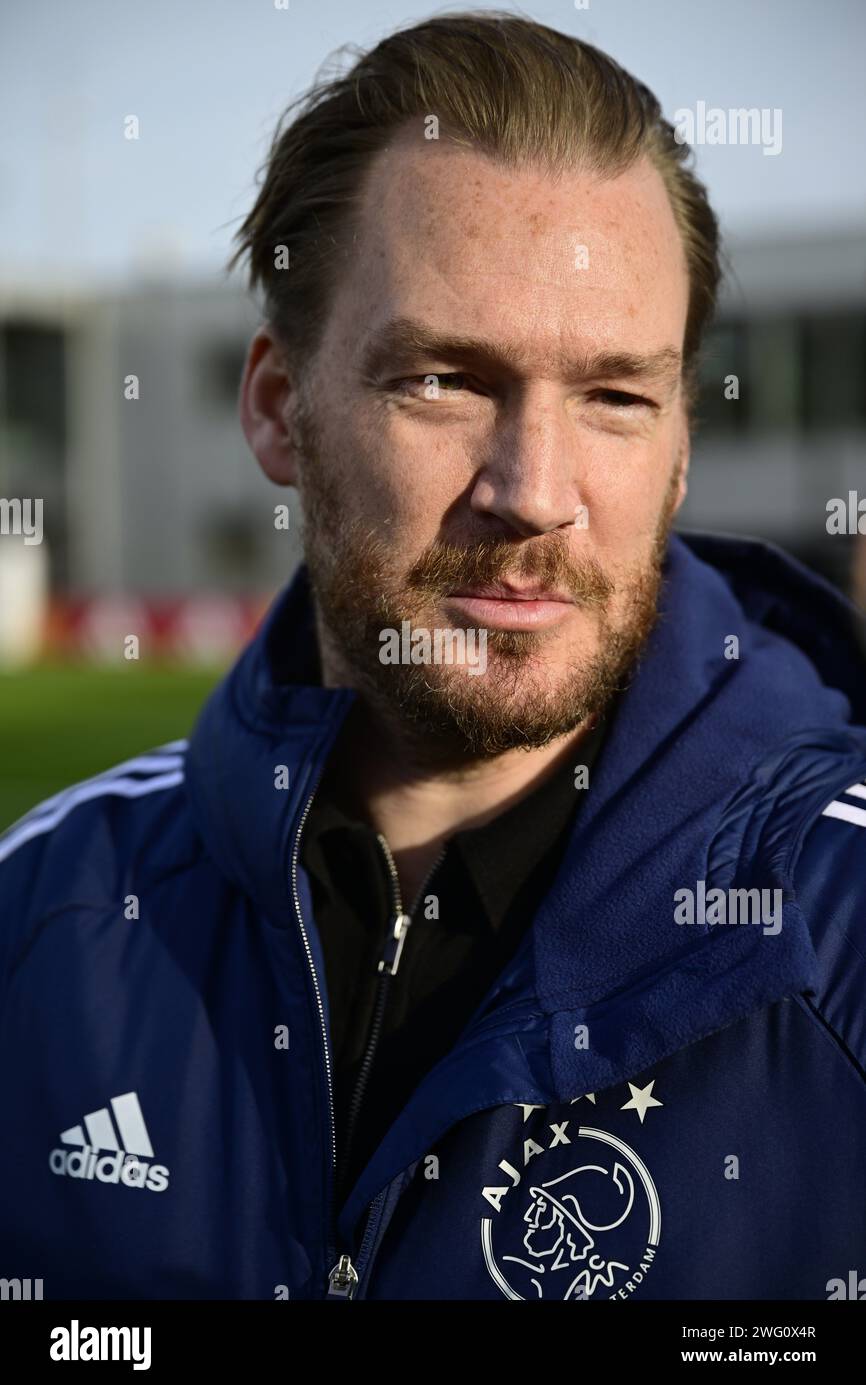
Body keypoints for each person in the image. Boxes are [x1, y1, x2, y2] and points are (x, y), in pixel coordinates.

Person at [1, 12, 865, 1302]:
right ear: (281, 409)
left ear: (682, 436)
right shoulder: (43, 919)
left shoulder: (842, 927)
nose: (533, 493)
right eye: (446, 381)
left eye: (616, 397)